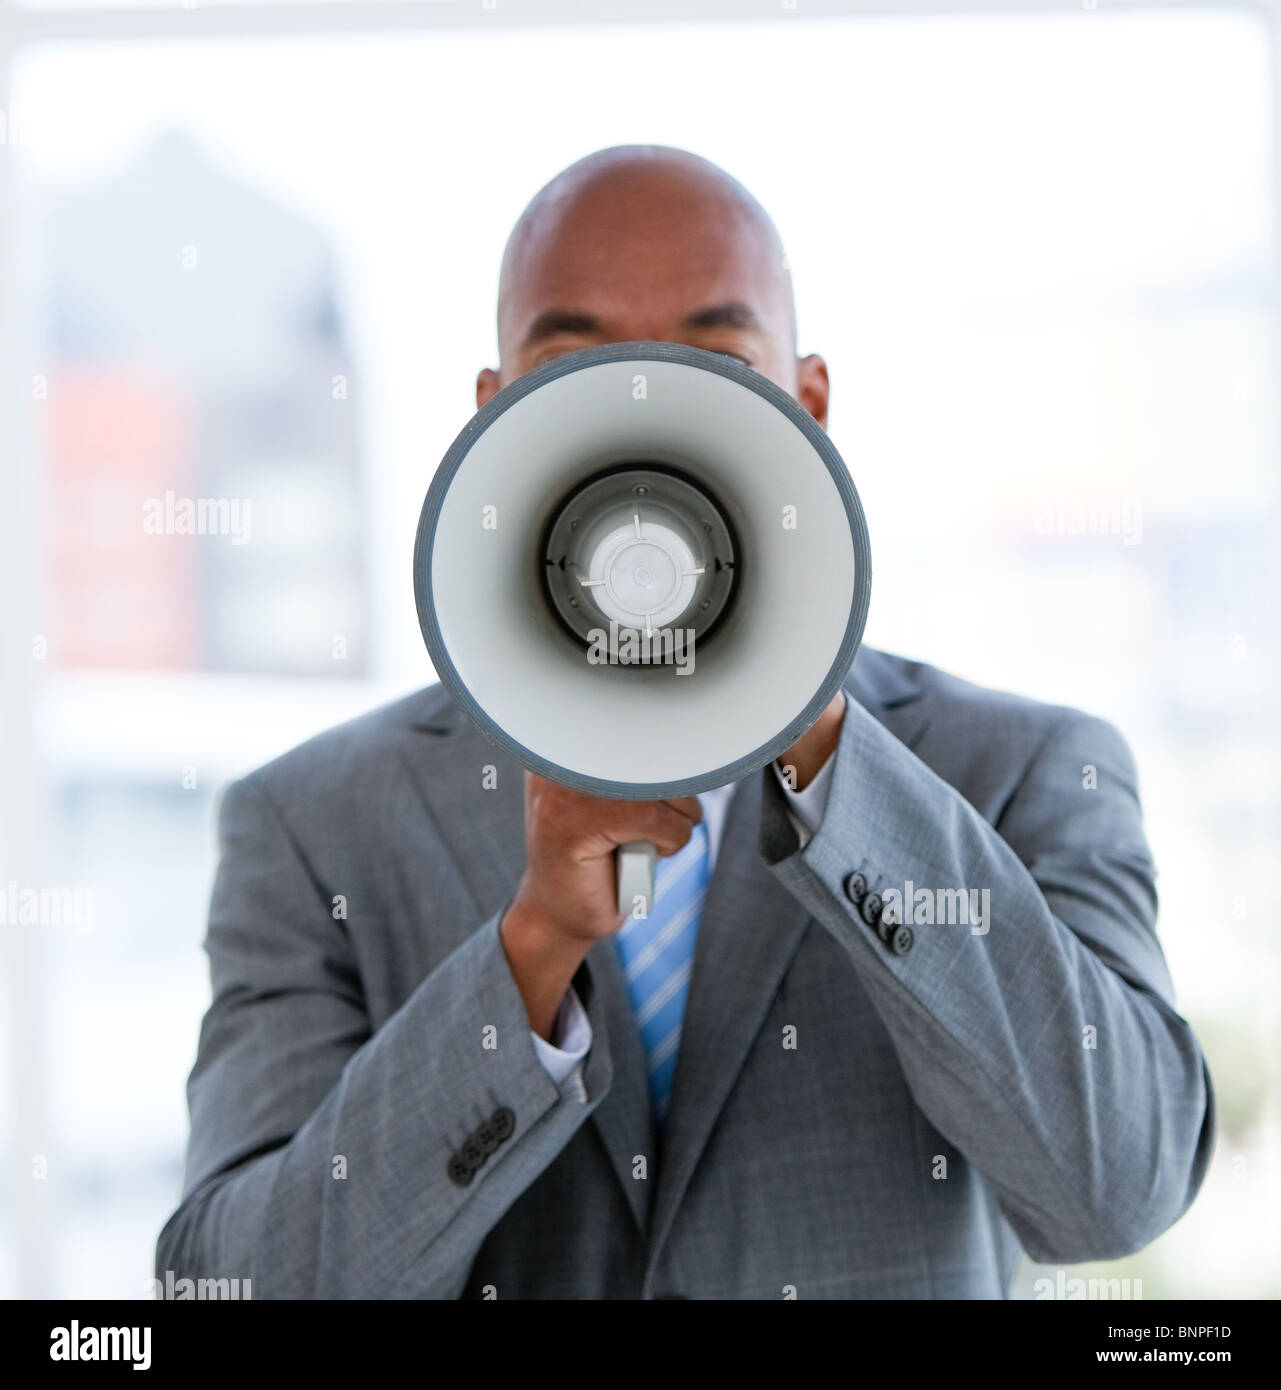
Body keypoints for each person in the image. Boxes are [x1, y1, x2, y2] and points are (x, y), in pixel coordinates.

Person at [157, 145, 1214, 1299]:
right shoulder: (315, 824)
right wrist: (529, 956)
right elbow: (232, 1286)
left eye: (714, 362)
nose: (647, 426)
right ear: (495, 416)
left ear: (807, 409)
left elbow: (1120, 1187)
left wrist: (831, 765)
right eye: (576, 366)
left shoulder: (1022, 770)